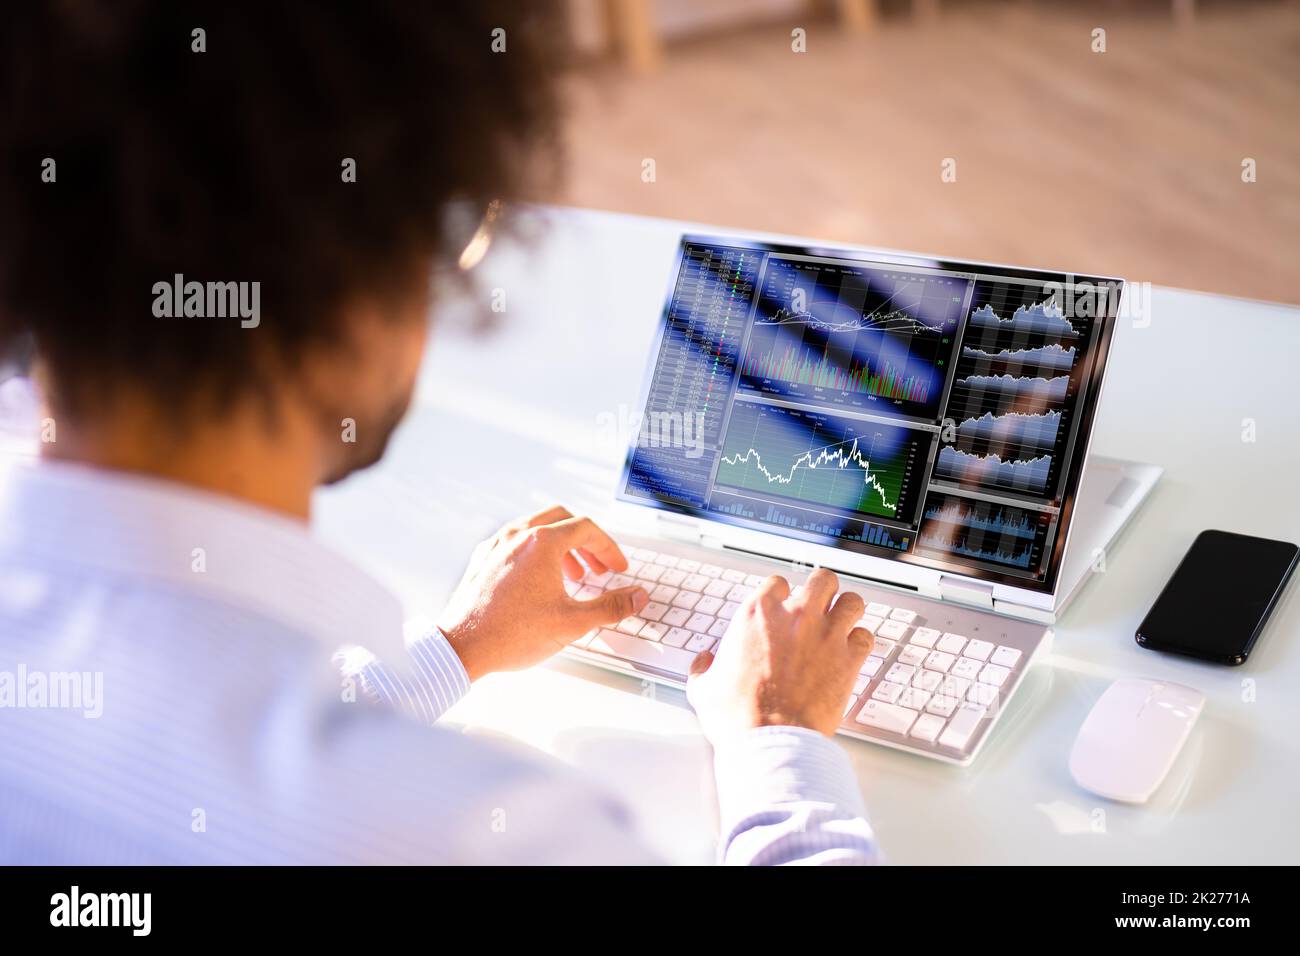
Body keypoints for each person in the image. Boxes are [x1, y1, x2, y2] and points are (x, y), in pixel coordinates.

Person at [0, 1, 880, 865]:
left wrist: (454, 653)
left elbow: (203, 734)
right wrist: (780, 741)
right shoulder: (492, 833)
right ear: (361, 290)